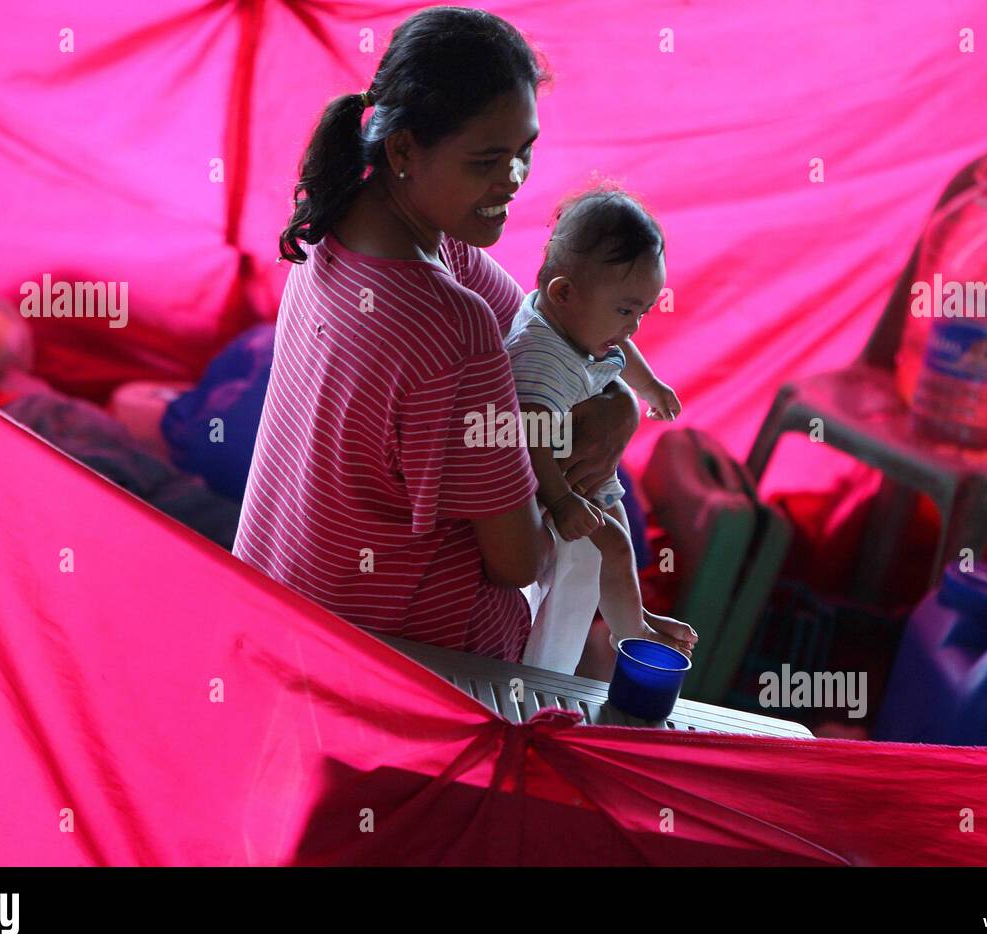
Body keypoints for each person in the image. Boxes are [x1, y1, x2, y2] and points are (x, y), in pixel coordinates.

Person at [233, 7, 637, 662]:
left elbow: (553, 335)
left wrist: (616, 402)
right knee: (597, 648)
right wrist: (561, 461)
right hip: (398, 669)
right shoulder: (449, 322)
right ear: (403, 150)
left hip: (286, 623)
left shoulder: (344, 230)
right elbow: (517, 560)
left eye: (523, 153)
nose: (511, 182)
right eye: (486, 161)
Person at [506, 187, 697, 673]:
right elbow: (530, 434)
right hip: (545, 485)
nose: (632, 328)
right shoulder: (541, 357)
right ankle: (629, 628)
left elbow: (618, 353)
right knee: (611, 543)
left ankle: (633, 618)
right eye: (625, 310)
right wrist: (564, 501)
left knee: (620, 539)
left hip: (577, 473)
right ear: (564, 292)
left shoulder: (578, 324)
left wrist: (650, 387)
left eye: (641, 313)